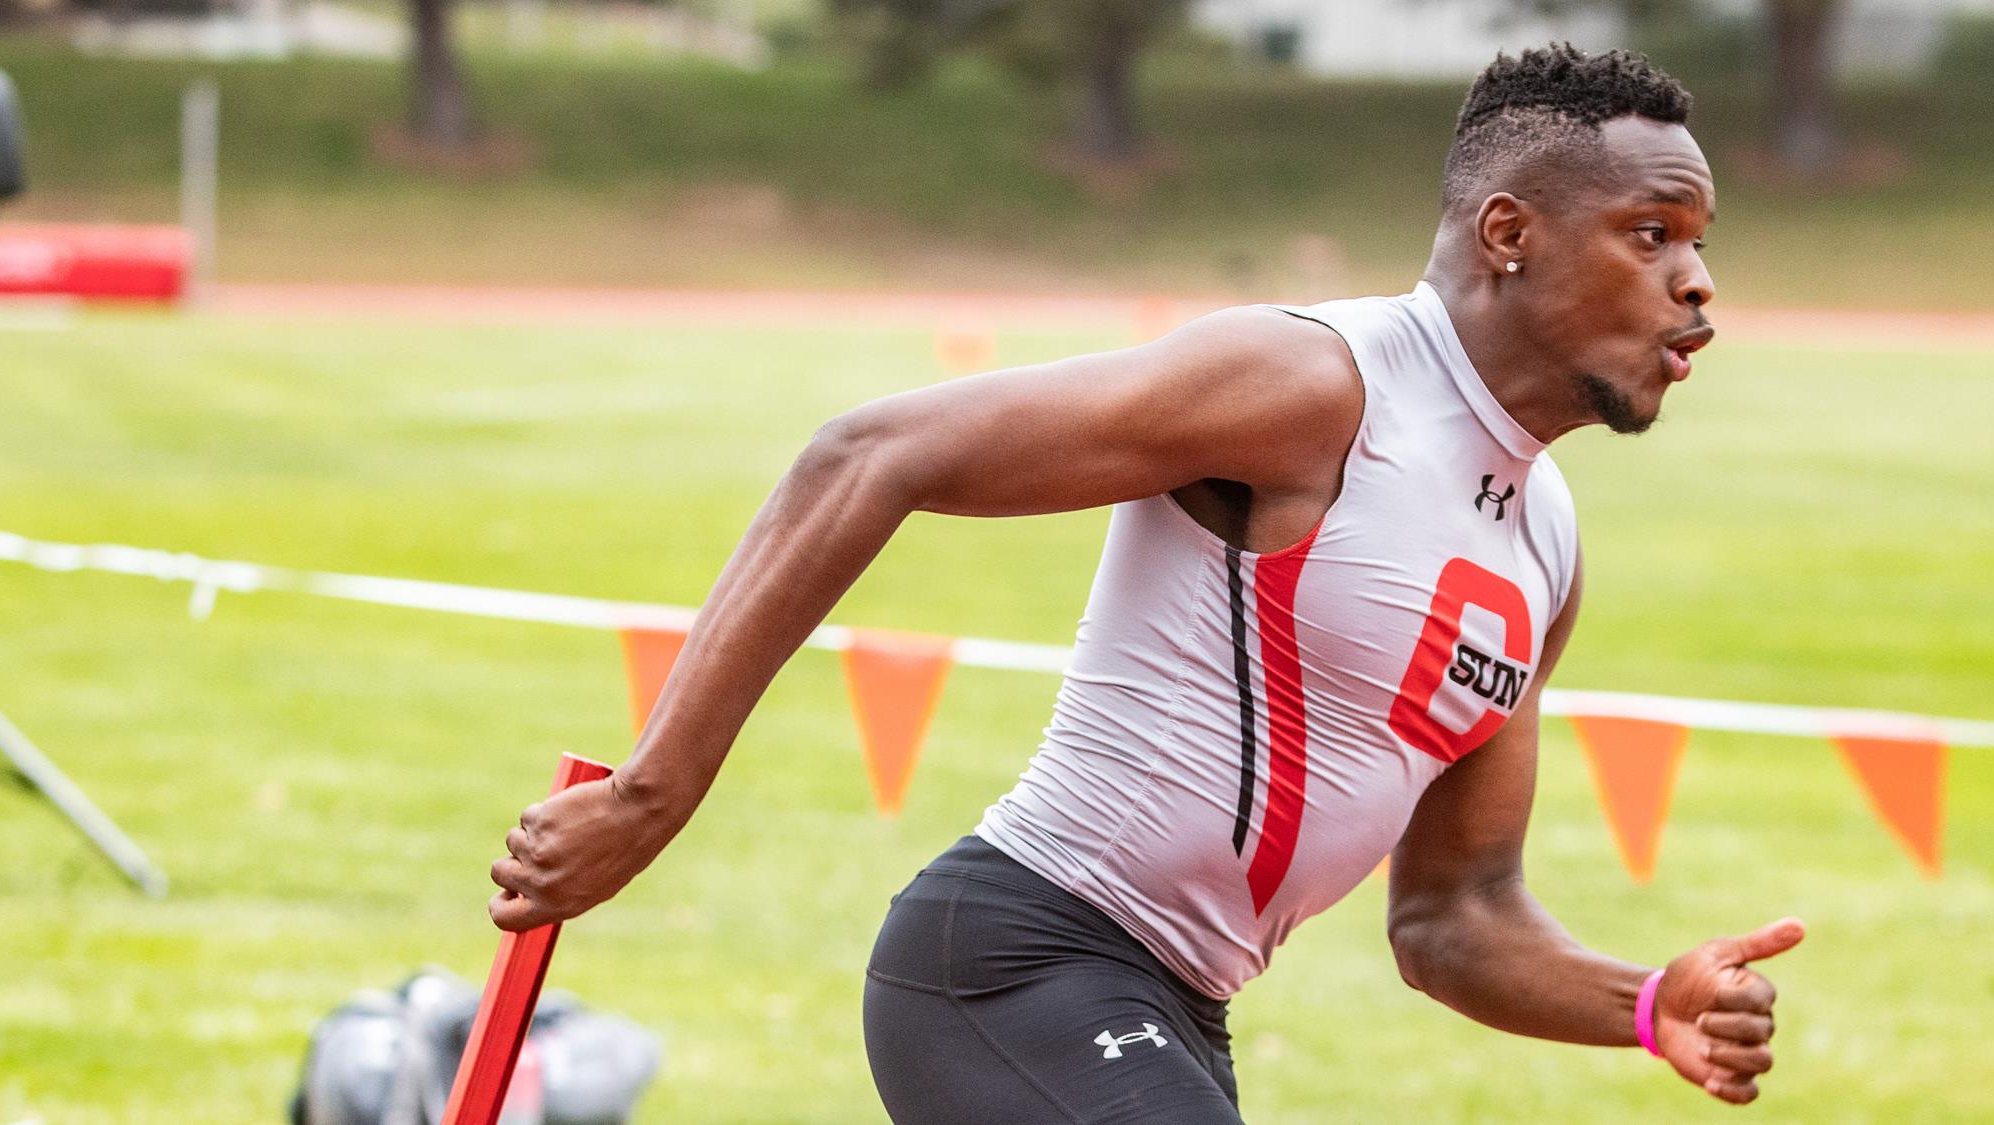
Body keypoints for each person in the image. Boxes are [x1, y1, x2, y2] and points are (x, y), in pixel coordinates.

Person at [488, 44, 1802, 1121]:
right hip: (1018, 960)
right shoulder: (1313, 387)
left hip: (1171, 1011)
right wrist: (654, 790)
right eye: (1652, 232)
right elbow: (871, 451)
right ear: (1508, 231)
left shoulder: (1545, 543)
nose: (1697, 284)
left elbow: (1451, 915)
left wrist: (1644, 1001)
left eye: (1698, 242)